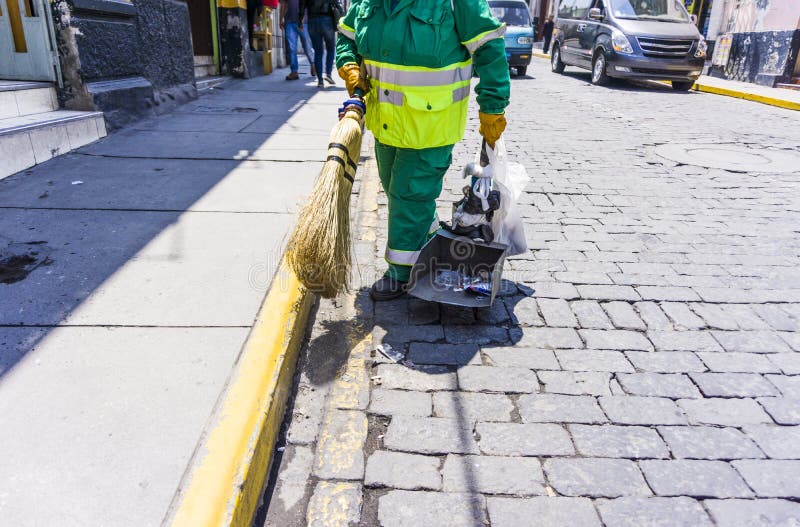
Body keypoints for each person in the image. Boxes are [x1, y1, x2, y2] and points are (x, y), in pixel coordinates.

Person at [336, 0, 511, 300]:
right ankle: (429, 242)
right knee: (397, 193)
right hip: (386, 125)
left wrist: (493, 107)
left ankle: (401, 274)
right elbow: (347, 35)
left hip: (431, 127)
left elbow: (488, 47)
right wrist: (350, 65)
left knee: (408, 195)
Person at [300, 0, 337, 87]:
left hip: (312, 21)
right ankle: (328, 74)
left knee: (318, 52)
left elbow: (302, 5)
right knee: (331, 49)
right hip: (327, 20)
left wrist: (300, 20)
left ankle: (320, 80)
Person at [281, 0, 316, 79]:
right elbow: (283, 4)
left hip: (304, 22)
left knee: (307, 46)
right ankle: (294, 72)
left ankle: (313, 64)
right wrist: (281, 19)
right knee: (291, 48)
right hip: (290, 22)